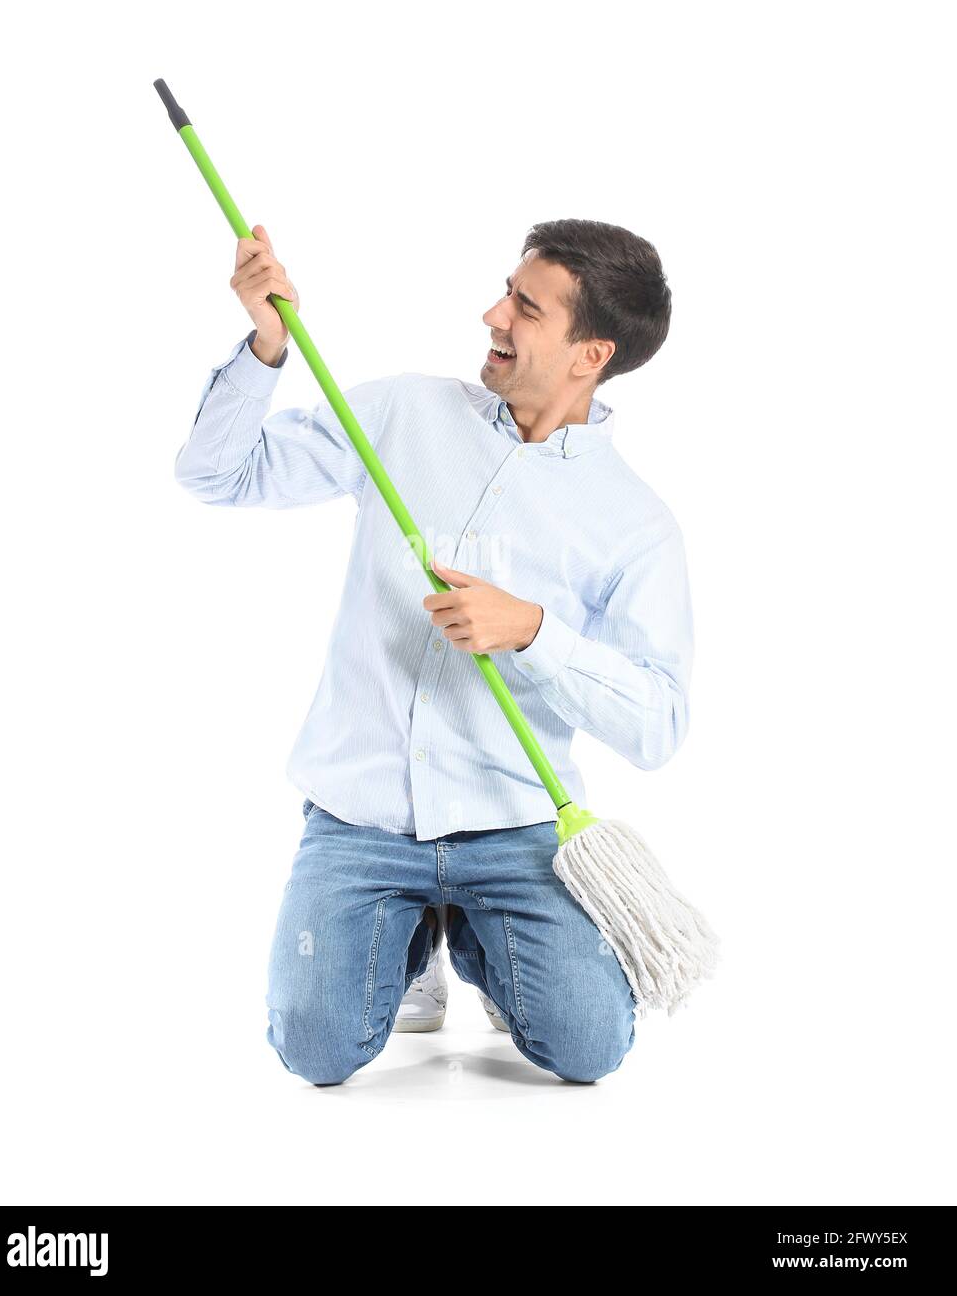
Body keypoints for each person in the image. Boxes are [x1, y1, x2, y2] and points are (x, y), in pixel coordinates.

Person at [175, 218, 694, 1085]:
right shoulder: (404, 412)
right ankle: (411, 945)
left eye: (526, 308)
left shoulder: (635, 525)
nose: (493, 313)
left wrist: (533, 632)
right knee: (315, 1050)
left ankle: (485, 942)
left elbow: (658, 725)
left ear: (590, 353)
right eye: (507, 289)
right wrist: (268, 344)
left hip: (515, 824)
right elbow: (216, 474)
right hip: (361, 815)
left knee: (588, 1047)